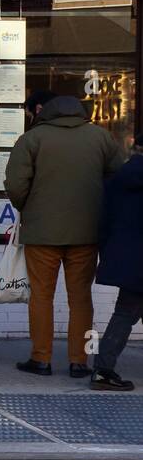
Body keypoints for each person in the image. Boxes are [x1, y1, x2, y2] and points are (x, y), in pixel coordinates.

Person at [5, 95, 126, 377]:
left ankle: (41, 358)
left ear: (44, 112)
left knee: (41, 296)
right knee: (81, 297)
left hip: (42, 233)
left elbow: (15, 184)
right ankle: (79, 361)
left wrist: (29, 206)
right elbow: (118, 178)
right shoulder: (101, 137)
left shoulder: (32, 138)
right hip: (86, 232)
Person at [90, 142, 143, 391]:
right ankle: (103, 369)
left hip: (127, 258)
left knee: (125, 311)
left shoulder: (117, 179)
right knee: (125, 313)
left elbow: (103, 221)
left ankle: (103, 370)